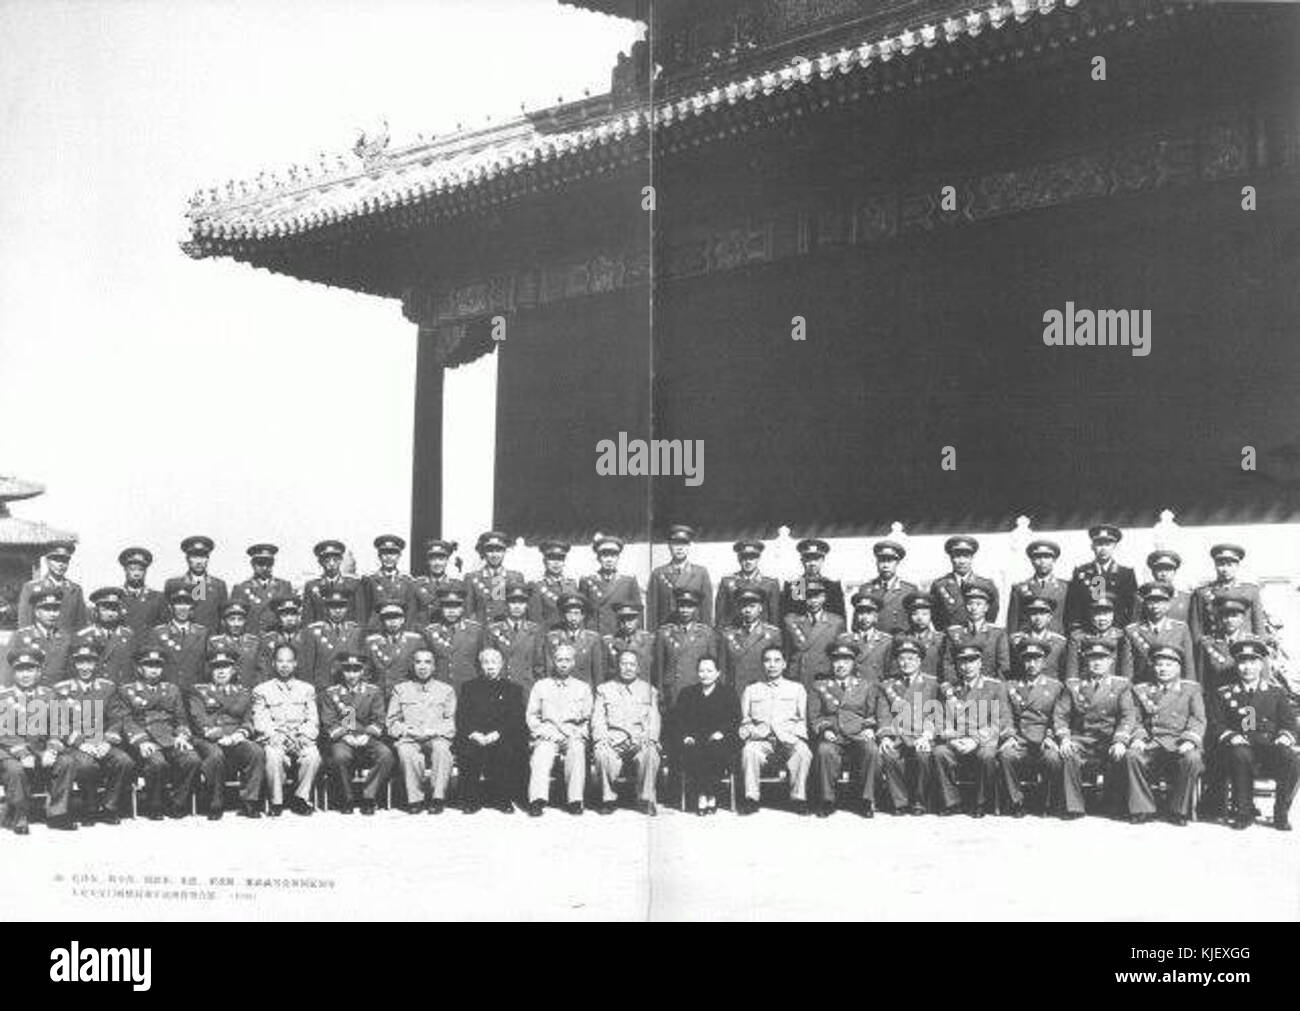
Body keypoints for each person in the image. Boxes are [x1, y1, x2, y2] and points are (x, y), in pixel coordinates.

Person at [1208, 636, 1298, 831]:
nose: (1247, 667)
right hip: (1237, 751)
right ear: (1236, 664)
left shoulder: (1276, 693)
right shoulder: (1224, 693)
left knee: (1291, 758)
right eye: (1242, 662)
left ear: (1261, 664)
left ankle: (1280, 812)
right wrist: (1231, 736)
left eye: (1253, 662)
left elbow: (1289, 724)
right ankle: (1244, 811)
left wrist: (1284, 736)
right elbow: (1217, 724)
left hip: (1268, 749)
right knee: (1240, 753)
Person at [1051, 637, 1138, 820]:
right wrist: (1065, 739)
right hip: (1082, 739)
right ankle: (1073, 807)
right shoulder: (1073, 685)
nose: (1097, 663)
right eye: (1092, 658)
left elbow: (1127, 715)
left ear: (1110, 661)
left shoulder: (1121, 685)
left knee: (1121, 754)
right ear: (1085, 660)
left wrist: (1121, 741)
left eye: (1102, 658)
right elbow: (1061, 715)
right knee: (1068, 754)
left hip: (1108, 739)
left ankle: (1114, 804)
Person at [50, 642, 135, 826]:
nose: (85, 667)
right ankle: (89, 807)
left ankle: (109, 807)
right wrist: (82, 743)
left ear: (97, 664)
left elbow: (117, 719)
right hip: (75, 744)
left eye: (90, 662)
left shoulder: (107, 688)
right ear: (73, 664)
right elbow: (60, 724)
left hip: (101, 741)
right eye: (80, 662)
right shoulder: (62, 690)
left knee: (124, 761)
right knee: (87, 765)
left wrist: (106, 742)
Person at [1125, 645, 1205, 825]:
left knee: (1192, 759)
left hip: (1179, 742)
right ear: (1153, 667)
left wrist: (1190, 740)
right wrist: (1138, 738)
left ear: (1178, 668)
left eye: (1169, 665)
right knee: (1132, 755)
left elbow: (1198, 718)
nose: (1163, 669)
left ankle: (1179, 810)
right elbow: (1136, 719)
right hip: (1152, 742)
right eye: (1159, 664)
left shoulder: (1190, 689)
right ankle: (1143, 808)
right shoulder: (1142, 690)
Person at [120, 646, 201, 820]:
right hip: (144, 737)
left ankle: (177, 803)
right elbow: (126, 720)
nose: (154, 670)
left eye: (158, 665)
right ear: (140, 668)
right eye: (149, 665)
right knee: (157, 763)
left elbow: (181, 719)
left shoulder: (172, 689)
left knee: (191, 759)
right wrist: (141, 741)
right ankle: (154, 805)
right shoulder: (128, 690)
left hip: (170, 737)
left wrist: (181, 735)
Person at [932, 644, 1011, 817]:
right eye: (962, 662)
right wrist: (952, 739)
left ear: (980, 663)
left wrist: (974, 740)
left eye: (972, 661)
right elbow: (940, 719)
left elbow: (1000, 720)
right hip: (956, 740)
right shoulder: (949, 689)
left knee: (987, 755)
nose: (967, 666)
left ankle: (980, 802)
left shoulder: (995, 687)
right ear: (958, 665)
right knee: (939, 752)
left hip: (982, 740)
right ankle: (952, 802)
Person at [187, 647, 265, 820]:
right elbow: (198, 719)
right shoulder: (198, 691)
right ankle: (215, 803)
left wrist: (239, 735)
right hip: (208, 738)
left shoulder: (243, 692)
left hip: (235, 738)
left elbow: (248, 719)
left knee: (256, 751)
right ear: (210, 670)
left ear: (233, 669)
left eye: (226, 667)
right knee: (215, 755)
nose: (221, 671)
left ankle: (250, 802)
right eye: (216, 667)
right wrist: (220, 735)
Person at [0, 647, 72, 833]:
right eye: (20, 670)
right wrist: (22, 753)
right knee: (16, 770)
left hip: (40, 749)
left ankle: (57, 813)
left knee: (66, 761)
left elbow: (60, 725)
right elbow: (3, 732)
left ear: (39, 671)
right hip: (10, 752)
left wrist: (52, 749)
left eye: (30, 669)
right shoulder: (4, 697)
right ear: (14, 672)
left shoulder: (49, 695)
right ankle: (19, 816)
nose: (25, 675)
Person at [809, 641, 880, 818]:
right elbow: (815, 715)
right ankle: (827, 800)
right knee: (825, 750)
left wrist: (870, 728)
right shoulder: (820, 685)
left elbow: (871, 713)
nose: (841, 665)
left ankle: (866, 800)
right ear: (831, 663)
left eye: (846, 661)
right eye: (836, 661)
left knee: (871, 749)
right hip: (834, 735)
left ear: (853, 663)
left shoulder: (865, 685)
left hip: (858, 733)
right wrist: (825, 729)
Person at [737, 646, 811, 815]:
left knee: (803, 752)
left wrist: (793, 737)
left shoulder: (797, 689)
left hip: (788, 740)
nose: (772, 665)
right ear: (762, 664)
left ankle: (798, 798)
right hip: (762, 741)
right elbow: (745, 722)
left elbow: (802, 721)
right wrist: (754, 733)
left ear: (784, 664)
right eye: (767, 661)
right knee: (749, 751)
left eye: (777, 661)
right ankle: (751, 798)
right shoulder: (751, 690)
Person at [996, 640, 1066, 817]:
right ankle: (1016, 802)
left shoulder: (1056, 687)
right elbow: (1005, 715)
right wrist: (1009, 736)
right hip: (1020, 739)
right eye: (1027, 660)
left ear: (1044, 662)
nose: (1032, 664)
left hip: (1044, 738)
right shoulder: (1009, 686)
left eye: (1036, 659)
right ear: (1022, 661)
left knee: (1053, 758)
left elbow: (1058, 717)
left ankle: (1045, 801)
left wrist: (1051, 736)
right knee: (1006, 755)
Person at [319, 651, 393, 815]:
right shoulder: (332, 693)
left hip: (368, 737)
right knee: (339, 757)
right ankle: (347, 798)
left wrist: (367, 735)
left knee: (386, 754)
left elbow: (379, 719)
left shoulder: (373, 692)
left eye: (356, 670)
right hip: (343, 739)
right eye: (347, 670)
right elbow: (329, 722)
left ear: (362, 671)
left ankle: (369, 797)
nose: (351, 674)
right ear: (341, 671)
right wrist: (346, 736)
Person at [251, 643, 320, 816]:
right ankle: (277, 801)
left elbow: (313, 719)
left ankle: (300, 798)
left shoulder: (307, 689)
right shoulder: (262, 690)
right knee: (273, 756)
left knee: (312, 755)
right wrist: (276, 735)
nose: (284, 665)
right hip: (275, 739)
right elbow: (260, 719)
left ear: (295, 664)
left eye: (289, 661)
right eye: (280, 661)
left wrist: (303, 735)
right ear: (273, 664)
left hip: (299, 738)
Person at [525, 642, 593, 816]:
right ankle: (537, 800)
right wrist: (543, 733)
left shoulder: (583, 688)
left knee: (577, 750)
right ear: (553, 662)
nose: (563, 664)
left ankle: (575, 800)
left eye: (567, 660)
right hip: (548, 734)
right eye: (559, 659)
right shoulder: (541, 686)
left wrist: (578, 734)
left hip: (572, 734)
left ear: (573, 662)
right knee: (541, 753)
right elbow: (532, 716)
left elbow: (588, 719)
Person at [455, 647, 527, 813]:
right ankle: (471, 800)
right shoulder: (469, 687)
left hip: (501, 735)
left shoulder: (513, 689)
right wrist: (474, 734)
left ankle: (502, 799)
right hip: (475, 735)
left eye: (494, 662)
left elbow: (515, 719)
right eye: (486, 662)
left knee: (506, 750)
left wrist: (498, 733)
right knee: (468, 751)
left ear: (501, 665)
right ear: (480, 665)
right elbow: (462, 716)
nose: (490, 666)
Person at [386, 646, 456, 814]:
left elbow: (450, 722)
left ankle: (438, 798)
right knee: (407, 753)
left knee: (442, 751)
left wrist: (434, 731)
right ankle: (415, 800)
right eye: (418, 662)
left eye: (427, 662)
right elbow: (391, 722)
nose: (423, 666)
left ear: (434, 667)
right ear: (412, 665)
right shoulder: (401, 689)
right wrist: (407, 730)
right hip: (410, 737)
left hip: (436, 736)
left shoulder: (446, 690)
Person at [592, 649, 662, 815]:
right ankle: (608, 799)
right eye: (624, 663)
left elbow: (654, 718)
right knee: (602, 753)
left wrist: (651, 737)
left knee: (651, 753)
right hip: (613, 739)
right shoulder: (604, 689)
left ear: (638, 668)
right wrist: (601, 738)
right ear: (618, 666)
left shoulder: (649, 690)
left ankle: (646, 799)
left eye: (632, 664)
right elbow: (598, 718)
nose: (628, 668)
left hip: (639, 740)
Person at [668, 656, 740, 815]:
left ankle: (711, 794)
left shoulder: (727, 693)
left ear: (717, 673)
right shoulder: (687, 693)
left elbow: (734, 719)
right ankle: (703, 795)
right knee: (695, 751)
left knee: (714, 750)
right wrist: (685, 735)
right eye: (701, 671)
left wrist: (722, 733)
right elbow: (678, 720)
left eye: (709, 671)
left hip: (720, 740)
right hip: (694, 740)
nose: (705, 674)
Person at [876, 637, 939, 815]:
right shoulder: (888, 685)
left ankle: (919, 801)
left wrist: (927, 735)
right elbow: (884, 713)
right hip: (898, 734)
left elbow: (936, 713)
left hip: (922, 734)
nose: (906, 663)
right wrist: (886, 736)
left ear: (919, 661)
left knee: (923, 755)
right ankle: (900, 802)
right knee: (889, 754)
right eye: (902, 659)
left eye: (911, 659)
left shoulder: (932, 683)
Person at [1064, 523, 1137, 632]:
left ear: (1115, 546)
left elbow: (1132, 608)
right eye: (1099, 544)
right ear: (1092, 546)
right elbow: (1073, 607)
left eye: (1107, 544)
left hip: (1117, 634)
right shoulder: (1081, 573)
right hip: (1087, 633)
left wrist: (1124, 631)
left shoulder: (1126, 574)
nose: (1103, 548)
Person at [654, 588, 718, 708]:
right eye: (681, 606)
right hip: (673, 692)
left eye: (689, 607)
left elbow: (713, 667)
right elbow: (659, 668)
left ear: (696, 609)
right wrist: (660, 693)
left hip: (698, 690)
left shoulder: (706, 634)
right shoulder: (664, 633)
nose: (685, 610)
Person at [1188, 543, 1265, 642]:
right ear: (1215, 565)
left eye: (1230, 565)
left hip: (1244, 648)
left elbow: (1258, 626)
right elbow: (1196, 628)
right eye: (1221, 565)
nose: (1225, 570)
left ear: (1237, 566)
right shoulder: (1202, 593)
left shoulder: (1250, 591)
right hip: (1214, 649)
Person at [1120, 582, 1195, 683]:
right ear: (1144, 604)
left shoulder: (1181, 629)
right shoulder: (1132, 631)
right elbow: (1127, 670)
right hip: (1143, 690)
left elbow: (1188, 666)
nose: (1155, 606)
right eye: (1151, 602)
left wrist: (1189, 692)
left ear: (1169, 604)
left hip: (1173, 691)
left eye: (1160, 602)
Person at [719, 588, 783, 698]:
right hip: (735, 690)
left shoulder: (772, 634)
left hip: (762, 691)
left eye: (752, 606)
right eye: (744, 606)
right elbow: (723, 668)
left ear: (760, 608)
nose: (748, 610)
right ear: (738, 608)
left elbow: (777, 668)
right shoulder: (727, 634)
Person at [2, 587, 72, 687]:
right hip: (30, 693)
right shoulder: (21, 637)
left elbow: (70, 671)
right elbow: (8, 671)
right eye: (46, 609)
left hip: (57, 695)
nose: (52, 614)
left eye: (55, 609)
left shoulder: (65, 637)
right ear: (36, 612)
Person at [647, 524, 714, 629]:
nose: (680, 548)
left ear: (689, 546)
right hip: (666, 634)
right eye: (675, 544)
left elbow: (706, 610)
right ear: (669, 546)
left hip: (693, 634)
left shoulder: (700, 573)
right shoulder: (658, 574)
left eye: (684, 544)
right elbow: (652, 611)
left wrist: (706, 635)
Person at [940, 584, 1009, 682]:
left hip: (989, 688)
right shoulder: (954, 633)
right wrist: (955, 687)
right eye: (970, 604)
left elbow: (1003, 666)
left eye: (978, 604)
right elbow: (948, 664)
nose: (974, 608)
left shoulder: (997, 634)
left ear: (986, 607)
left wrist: (996, 688)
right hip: (962, 688)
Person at [783, 579, 845, 690]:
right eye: (809, 597)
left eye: (817, 596)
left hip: (823, 676)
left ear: (824, 598)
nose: (813, 601)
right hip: (797, 676)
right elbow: (787, 651)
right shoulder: (792, 621)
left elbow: (839, 654)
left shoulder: (836, 622)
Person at [928, 535, 999, 629]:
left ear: (972, 558)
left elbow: (991, 615)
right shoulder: (940, 585)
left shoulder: (986, 585)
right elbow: (935, 616)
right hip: (950, 638)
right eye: (957, 557)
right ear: (951, 558)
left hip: (978, 638)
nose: (962, 561)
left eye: (966, 557)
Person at [579, 535, 643, 636]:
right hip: (595, 636)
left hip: (620, 636)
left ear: (618, 558)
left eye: (613, 556)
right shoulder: (587, 581)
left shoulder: (628, 582)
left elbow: (638, 615)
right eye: (605, 556)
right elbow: (581, 614)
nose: (609, 560)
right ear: (598, 558)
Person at [147, 586, 209, 691]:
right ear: (171, 607)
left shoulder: (202, 633)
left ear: (192, 607)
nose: (183, 608)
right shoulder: (158, 633)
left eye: (187, 603)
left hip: (194, 690)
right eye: (178, 603)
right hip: (167, 689)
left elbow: (205, 665)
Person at [300, 587, 363, 689]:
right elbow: (307, 668)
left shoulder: (355, 631)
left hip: (347, 689)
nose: (337, 610)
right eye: (333, 607)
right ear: (326, 608)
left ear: (347, 608)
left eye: (342, 606)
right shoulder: (313, 632)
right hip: (322, 689)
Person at [17, 541, 86, 632]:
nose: (60, 564)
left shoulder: (75, 590)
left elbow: (80, 624)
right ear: (47, 561)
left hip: (68, 643)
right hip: (41, 642)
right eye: (56, 560)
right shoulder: (31, 588)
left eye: (65, 561)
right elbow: (25, 623)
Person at [486, 584, 546, 687]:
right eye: (513, 602)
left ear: (527, 605)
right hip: (501, 686)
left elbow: (539, 665)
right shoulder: (494, 630)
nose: (517, 607)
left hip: (527, 687)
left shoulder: (535, 630)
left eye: (521, 603)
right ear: (506, 604)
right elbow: (487, 663)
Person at [1195, 592, 1259, 689]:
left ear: (1242, 618)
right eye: (1225, 616)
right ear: (1220, 618)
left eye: (1234, 616)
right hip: (1216, 698)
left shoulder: (1253, 643)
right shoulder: (1208, 643)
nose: (1229, 620)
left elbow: (1263, 679)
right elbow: (1201, 678)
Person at [364, 602, 428, 698]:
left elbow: (423, 669)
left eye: (396, 618)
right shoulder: (372, 641)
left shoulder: (414, 640)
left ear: (402, 620)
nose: (392, 622)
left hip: (406, 694)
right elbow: (365, 671)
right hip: (379, 695)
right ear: (381, 621)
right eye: (388, 618)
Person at [163, 535, 228, 630]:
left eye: (202, 557)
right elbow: (166, 616)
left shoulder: (218, 585)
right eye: (194, 557)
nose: (199, 562)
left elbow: (223, 618)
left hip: (210, 639)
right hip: (182, 638)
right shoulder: (174, 584)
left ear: (208, 559)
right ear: (187, 559)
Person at [74, 587, 137, 684]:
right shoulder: (84, 636)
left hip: (121, 689)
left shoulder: (128, 636)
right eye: (105, 610)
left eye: (114, 610)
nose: (110, 614)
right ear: (96, 611)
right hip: (96, 690)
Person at [423, 587, 484, 688]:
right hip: (440, 687)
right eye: (447, 606)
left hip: (469, 687)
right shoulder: (430, 632)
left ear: (462, 608)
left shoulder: (475, 631)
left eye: (456, 606)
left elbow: (480, 662)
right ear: (441, 608)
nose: (451, 611)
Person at [714, 539, 780, 628]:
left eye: (752, 558)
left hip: (761, 636)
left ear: (758, 558)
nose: (748, 561)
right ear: (738, 559)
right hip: (734, 634)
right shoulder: (727, 583)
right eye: (744, 557)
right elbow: (720, 615)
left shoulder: (770, 584)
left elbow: (774, 616)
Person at [1005, 540, 1067, 634]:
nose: (1042, 561)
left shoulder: (1065, 588)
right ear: (1031, 561)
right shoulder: (1020, 589)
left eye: (1047, 557)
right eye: (1037, 557)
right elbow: (1013, 623)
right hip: (1028, 642)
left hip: (1057, 641)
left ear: (1054, 560)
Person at [230, 543, 294, 634]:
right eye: (260, 563)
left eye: (269, 564)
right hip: (252, 638)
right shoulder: (241, 589)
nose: (265, 567)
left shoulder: (284, 586)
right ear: (252, 564)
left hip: (276, 638)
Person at [464, 531, 525, 624]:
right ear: (484, 552)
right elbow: (468, 612)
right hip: (481, 632)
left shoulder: (516, 577)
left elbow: (521, 613)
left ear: (505, 551)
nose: (494, 555)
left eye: (499, 550)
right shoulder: (472, 578)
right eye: (490, 550)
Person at [859, 539, 917, 635]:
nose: (885, 565)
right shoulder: (866, 589)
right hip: (874, 645)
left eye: (890, 561)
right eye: (882, 561)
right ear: (876, 563)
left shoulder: (909, 590)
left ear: (897, 563)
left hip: (899, 643)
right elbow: (857, 624)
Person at [544, 593, 604, 685]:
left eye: (576, 613)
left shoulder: (592, 639)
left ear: (583, 616)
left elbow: (598, 673)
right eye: (569, 613)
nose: (573, 618)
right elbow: (549, 670)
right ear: (563, 615)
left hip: (584, 692)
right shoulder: (553, 638)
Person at [360, 534, 417, 630]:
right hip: (376, 630)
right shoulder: (369, 580)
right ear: (379, 556)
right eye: (384, 553)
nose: (389, 557)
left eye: (393, 554)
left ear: (399, 556)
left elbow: (411, 611)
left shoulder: (407, 581)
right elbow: (363, 611)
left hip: (400, 630)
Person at [1063, 595, 1127, 680]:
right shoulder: (1077, 637)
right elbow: (1072, 672)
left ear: (1113, 614)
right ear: (1090, 614)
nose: (1102, 618)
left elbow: (1126, 670)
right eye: (1098, 614)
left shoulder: (1121, 637)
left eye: (1107, 613)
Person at [780, 538, 845, 620]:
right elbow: (790, 615)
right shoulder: (797, 585)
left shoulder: (832, 586)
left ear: (822, 560)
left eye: (816, 559)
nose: (812, 563)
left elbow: (840, 618)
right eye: (808, 559)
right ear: (802, 561)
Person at [304, 540, 363, 625]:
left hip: (348, 634)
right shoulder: (312, 586)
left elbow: (360, 616)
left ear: (340, 560)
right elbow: (307, 618)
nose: (331, 564)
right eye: (327, 560)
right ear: (320, 562)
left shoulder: (353, 584)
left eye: (335, 560)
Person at [1007, 595, 1068, 679]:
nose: (1038, 618)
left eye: (1042, 613)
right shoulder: (1016, 640)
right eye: (1034, 613)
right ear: (1027, 616)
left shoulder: (1059, 643)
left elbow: (1063, 673)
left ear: (1050, 617)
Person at [206, 600, 261, 686]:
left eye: (240, 619)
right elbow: (209, 672)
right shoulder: (214, 642)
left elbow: (260, 671)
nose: (236, 624)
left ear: (245, 621)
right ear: (223, 622)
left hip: (249, 691)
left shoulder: (254, 642)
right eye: (232, 619)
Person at [841, 590, 891, 683]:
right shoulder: (845, 640)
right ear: (855, 615)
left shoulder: (886, 641)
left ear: (876, 616)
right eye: (861, 613)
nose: (864, 618)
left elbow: (890, 673)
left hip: (876, 690)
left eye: (869, 613)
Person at [527, 540, 578, 629]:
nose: (556, 563)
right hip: (548, 636)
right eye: (552, 558)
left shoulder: (572, 584)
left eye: (560, 558)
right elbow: (535, 618)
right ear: (544, 560)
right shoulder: (536, 586)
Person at [601, 602, 655, 685]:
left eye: (631, 619)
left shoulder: (648, 640)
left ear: (637, 619)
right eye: (623, 619)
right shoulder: (608, 642)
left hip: (642, 687)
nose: (627, 623)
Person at [256, 596, 307, 683]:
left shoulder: (307, 639)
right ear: (278, 617)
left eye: (293, 614)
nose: (289, 619)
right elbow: (263, 670)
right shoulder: (268, 640)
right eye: (285, 615)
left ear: (299, 616)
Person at [413, 539, 461, 627]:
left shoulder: (456, 585)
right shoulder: (417, 585)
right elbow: (411, 614)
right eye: (433, 559)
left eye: (441, 559)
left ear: (447, 561)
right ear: (427, 561)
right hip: (423, 632)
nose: (437, 563)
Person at [117, 546, 165, 635]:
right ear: (125, 570)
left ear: (145, 571)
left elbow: (163, 629)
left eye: (140, 570)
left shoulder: (157, 598)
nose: (136, 574)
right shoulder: (117, 597)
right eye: (132, 569)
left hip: (150, 647)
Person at [897, 592, 944, 678]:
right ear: (909, 616)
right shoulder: (901, 638)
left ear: (931, 616)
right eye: (915, 614)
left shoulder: (940, 639)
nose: (920, 618)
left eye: (924, 614)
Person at [1146, 550, 1191, 625]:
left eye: (1168, 569)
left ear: (1175, 572)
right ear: (1153, 572)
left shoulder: (1186, 599)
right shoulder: (1142, 600)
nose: (1163, 574)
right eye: (1159, 569)